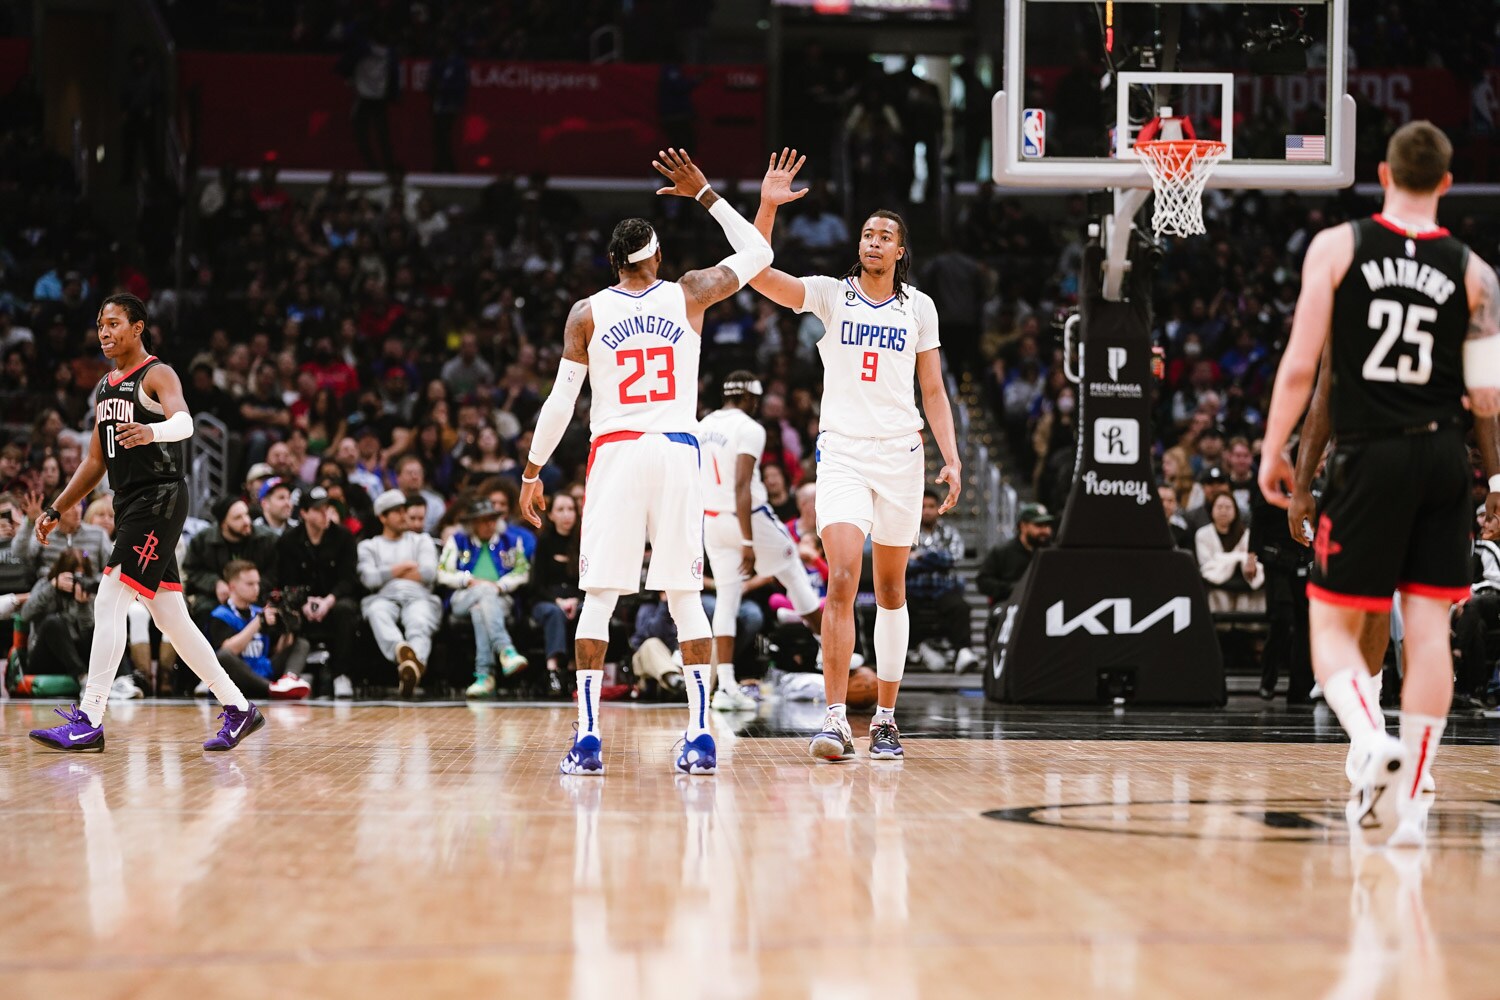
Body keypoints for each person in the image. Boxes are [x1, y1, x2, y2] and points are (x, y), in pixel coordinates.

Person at [1259, 121, 1500, 846]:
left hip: (1368, 456)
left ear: (1382, 174)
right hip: (1442, 460)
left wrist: (1276, 448)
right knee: (1429, 633)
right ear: (1448, 184)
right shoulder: (1476, 273)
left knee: (1329, 624)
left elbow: (1306, 369)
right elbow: (1488, 399)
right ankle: (1415, 792)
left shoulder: (1338, 247)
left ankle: (1368, 740)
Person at [518, 147, 774, 777]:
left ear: (612, 262)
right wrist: (706, 194)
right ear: (656, 256)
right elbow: (761, 255)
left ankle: (586, 739)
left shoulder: (587, 312)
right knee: (687, 598)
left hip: (617, 455)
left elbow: (559, 402)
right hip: (676, 453)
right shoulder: (689, 292)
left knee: (600, 598)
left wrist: (531, 470)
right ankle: (699, 736)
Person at [745, 148, 962, 762]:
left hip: (902, 454)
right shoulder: (830, 295)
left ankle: (887, 718)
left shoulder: (919, 308)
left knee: (891, 589)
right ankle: (837, 719)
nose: (872, 241)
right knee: (842, 578)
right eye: (867, 233)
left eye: (884, 236)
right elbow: (761, 277)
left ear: (900, 252)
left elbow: (934, 391)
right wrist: (766, 207)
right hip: (841, 453)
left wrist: (952, 458)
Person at [29, 293, 264, 752]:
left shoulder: (158, 373)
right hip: (129, 502)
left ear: (137, 327)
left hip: (160, 498)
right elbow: (95, 460)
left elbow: (185, 423)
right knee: (171, 619)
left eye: (114, 323)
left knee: (109, 598)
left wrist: (151, 431)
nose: (104, 332)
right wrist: (56, 508)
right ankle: (238, 707)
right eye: (100, 325)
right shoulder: (104, 387)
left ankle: (89, 716)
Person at [698, 371, 824, 710]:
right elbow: (741, 485)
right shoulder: (749, 429)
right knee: (794, 569)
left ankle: (725, 687)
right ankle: (829, 649)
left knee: (727, 598)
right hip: (747, 517)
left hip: (711, 518)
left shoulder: (703, 424)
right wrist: (749, 543)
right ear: (750, 398)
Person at [438, 498, 530, 699]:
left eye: (492, 519)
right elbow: (442, 572)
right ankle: (505, 649)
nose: (489, 524)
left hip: (500, 598)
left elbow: (523, 571)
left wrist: (500, 585)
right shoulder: (458, 541)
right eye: (483, 520)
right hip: (463, 596)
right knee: (484, 594)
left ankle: (484, 676)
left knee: (481, 609)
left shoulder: (512, 541)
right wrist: (468, 580)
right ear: (472, 523)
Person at [275, 486, 360, 698]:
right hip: (302, 600)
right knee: (285, 608)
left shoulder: (344, 537)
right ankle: (294, 671)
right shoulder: (289, 540)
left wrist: (328, 601)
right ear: (303, 513)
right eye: (318, 509)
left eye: (327, 508)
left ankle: (342, 675)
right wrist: (303, 601)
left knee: (346, 610)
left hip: (334, 599)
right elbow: (286, 579)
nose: (325, 514)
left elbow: (348, 579)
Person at [358, 488, 440, 697]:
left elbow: (429, 573)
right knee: (377, 612)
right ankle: (406, 656)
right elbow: (369, 579)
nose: (404, 515)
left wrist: (386, 573)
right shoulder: (369, 546)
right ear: (382, 517)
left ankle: (410, 665)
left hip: (418, 596)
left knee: (419, 621)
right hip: (383, 597)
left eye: (405, 510)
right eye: (397, 511)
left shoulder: (422, 540)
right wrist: (402, 567)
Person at [208, 560, 311, 701]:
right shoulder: (220, 614)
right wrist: (258, 622)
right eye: (250, 584)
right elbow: (229, 650)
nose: (256, 588)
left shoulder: (260, 611)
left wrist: (288, 629)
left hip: (264, 670)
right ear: (232, 587)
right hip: (239, 678)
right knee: (223, 657)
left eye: (257, 583)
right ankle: (272, 689)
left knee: (301, 644)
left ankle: (288, 679)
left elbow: (277, 651)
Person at [907, 489, 976, 673]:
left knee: (960, 607)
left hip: (942, 588)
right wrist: (936, 558)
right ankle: (917, 648)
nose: (927, 511)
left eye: (931, 506)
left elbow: (953, 558)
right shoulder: (907, 530)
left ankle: (963, 651)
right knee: (901, 606)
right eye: (922, 507)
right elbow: (903, 563)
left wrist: (920, 557)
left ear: (938, 508)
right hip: (914, 588)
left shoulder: (949, 532)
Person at [530, 491, 582, 697]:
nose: (566, 514)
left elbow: (588, 581)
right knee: (554, 613)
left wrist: (575, 599)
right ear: (550, 515)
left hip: (577, 598)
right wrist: (558, 601)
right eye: (560, 510)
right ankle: (553, 671)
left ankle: (576, 670)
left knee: (587, 612)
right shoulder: (543, 543)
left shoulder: (583, 542)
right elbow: (536, 584)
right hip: (547, 600)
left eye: (570, 509)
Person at [1195, 493, 1265, 612]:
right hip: (1215, 593)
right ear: (1212, 510)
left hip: (1245, 591)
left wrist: (1222, 560)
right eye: (1219, 507)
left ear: (1235, 511)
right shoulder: (1202, 534)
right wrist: (1239, 559)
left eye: (1228, 507)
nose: (1223, 511)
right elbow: (1207, 567)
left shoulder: (1246, 535)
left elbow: (1255, 563)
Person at [976, 503, 1054, 603]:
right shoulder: (1002, 552)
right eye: (1039, 525)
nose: (1045, 530)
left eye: (1047, 525)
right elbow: (983, 582)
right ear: (1023, 526)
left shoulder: (1052, 552)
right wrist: (1014, 589)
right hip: (1009, 606)